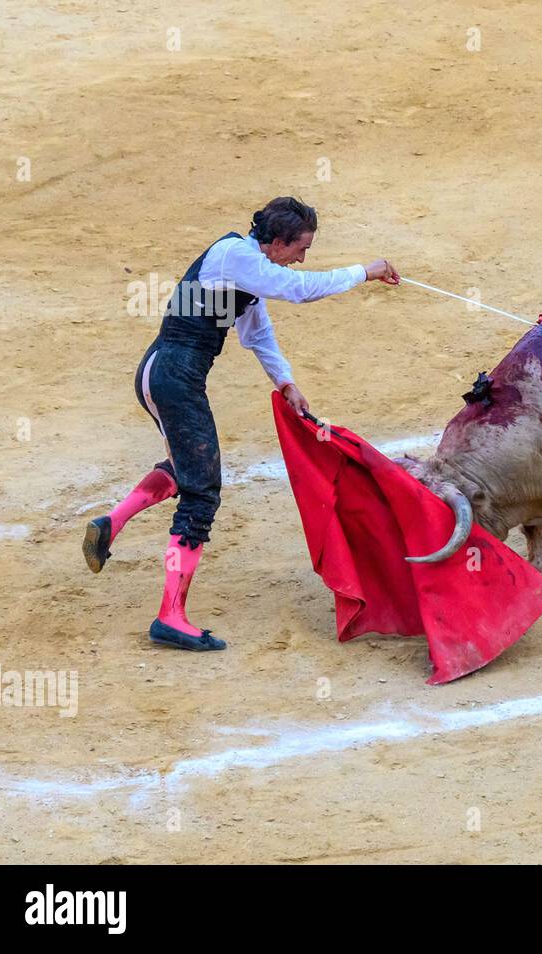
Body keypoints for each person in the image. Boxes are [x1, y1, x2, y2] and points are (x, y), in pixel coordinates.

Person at [83, 196, 400, 651]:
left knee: (185, 468)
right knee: (201, 493)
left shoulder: (244, 273)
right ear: (274, 242)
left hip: (163, 373)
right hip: (175, 378)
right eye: (300, 248)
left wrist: (286, 382)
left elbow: (258, 334)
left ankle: (112, 523)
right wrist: (364, 272)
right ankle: (170, 616)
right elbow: (299, 288)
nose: (302, 258)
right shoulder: (235, 256)